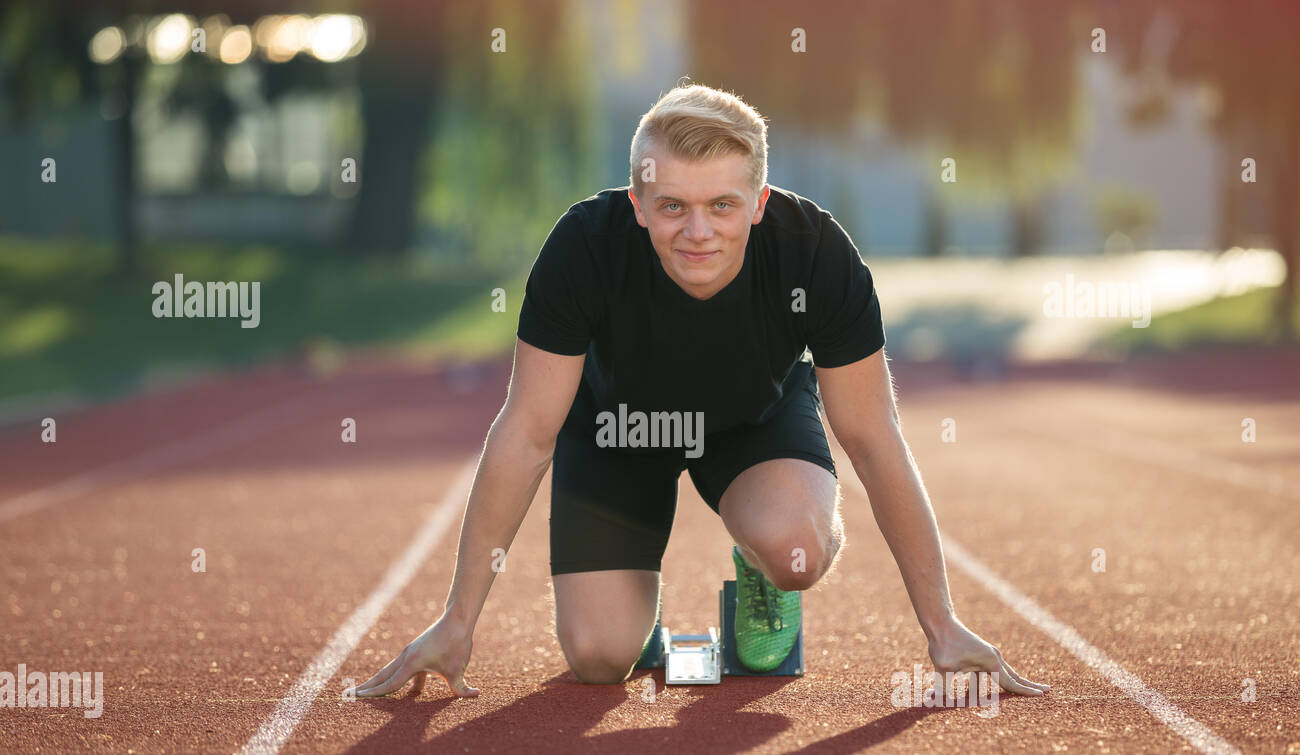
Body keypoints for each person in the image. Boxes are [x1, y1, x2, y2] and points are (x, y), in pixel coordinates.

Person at [358, 82, 1049, 699]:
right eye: (672, 206)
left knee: (796, 551)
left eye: (722, 204)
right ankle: (639, 622)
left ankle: (757, 569)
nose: (698, 232)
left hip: (754, 420)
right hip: (617, 430)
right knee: (600, 660)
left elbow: (872, 435)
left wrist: (943, 626)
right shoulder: (582, 248)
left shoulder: (816, 254)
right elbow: (527, 431)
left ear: (759, 203)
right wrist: (459, 620)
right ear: (636, 202)